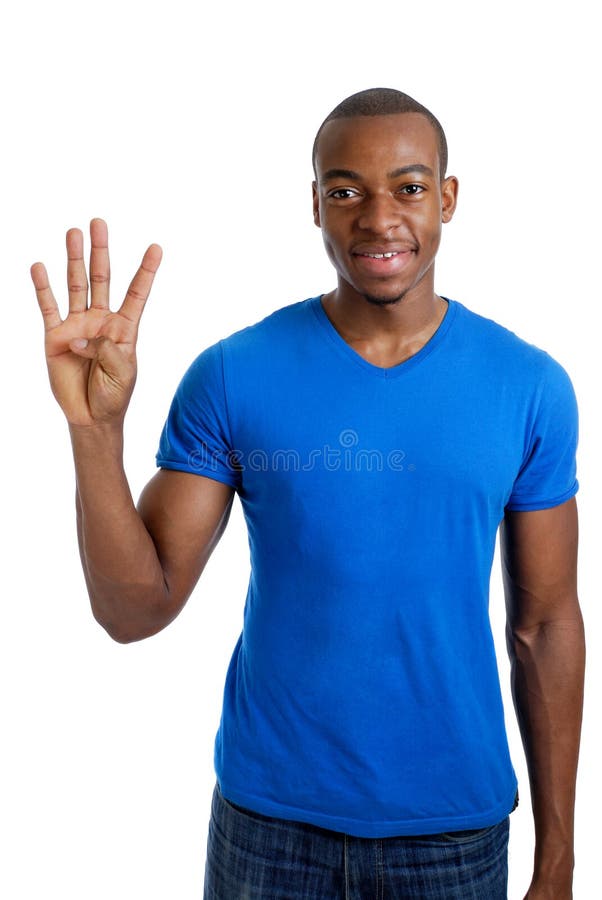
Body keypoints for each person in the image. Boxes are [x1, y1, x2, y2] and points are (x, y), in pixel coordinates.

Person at [32, 88, 585, 900]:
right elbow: (133, 611)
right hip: (269, 832)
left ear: (449, 198)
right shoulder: (234, 374)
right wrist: (94, 432)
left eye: (408, 186)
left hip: (452, 832)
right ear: (316, 205)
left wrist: (561, 858)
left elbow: (544, 626)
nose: (378, 217)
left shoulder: (530, 387)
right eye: (345, 190)